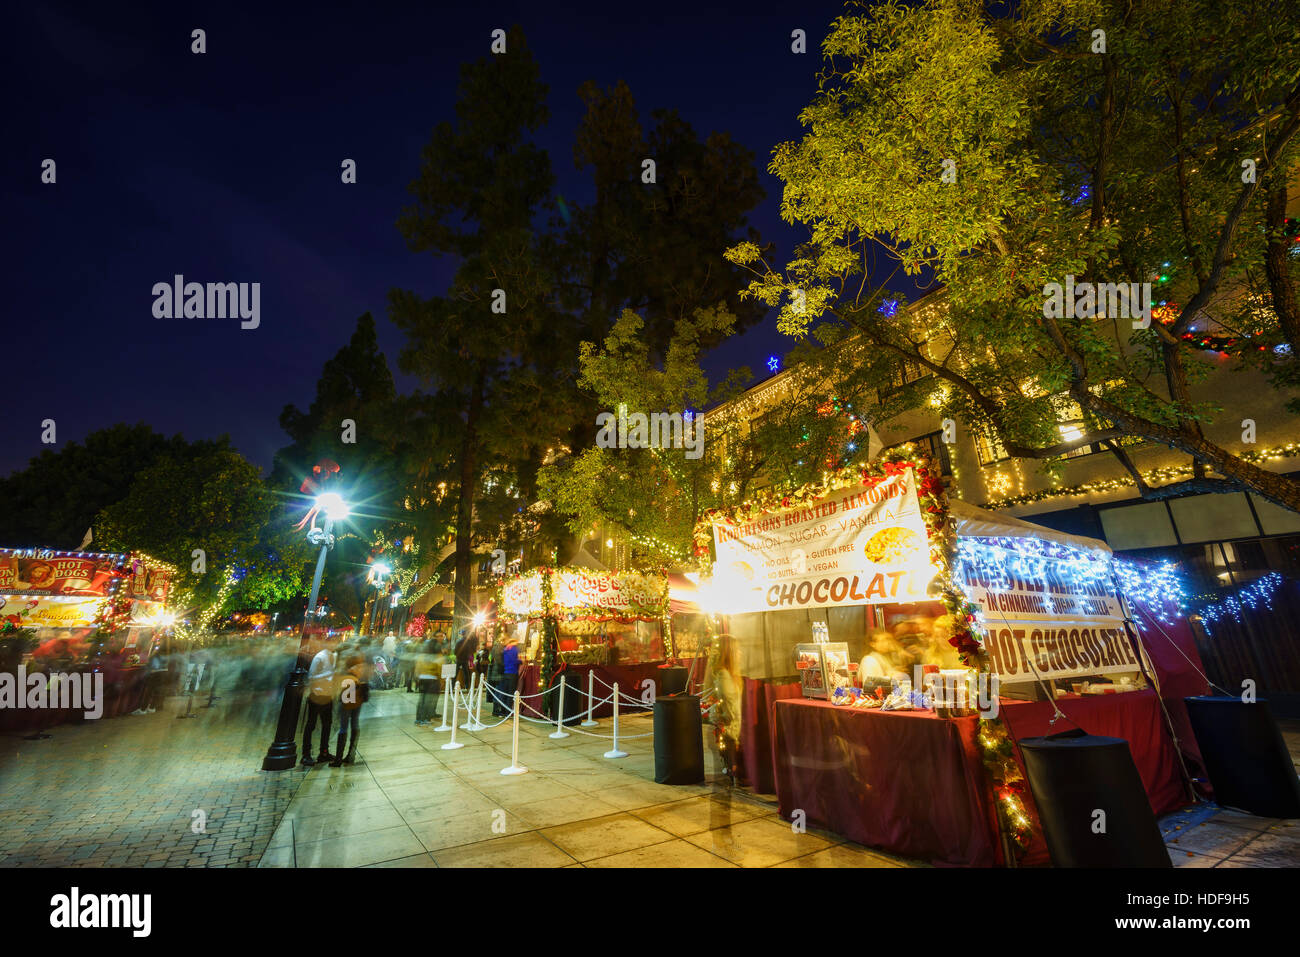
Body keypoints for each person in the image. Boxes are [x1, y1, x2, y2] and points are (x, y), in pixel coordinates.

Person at [302, 635, 339, 766]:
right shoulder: (319, 657)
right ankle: (305, 754)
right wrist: (328, 675)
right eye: (332, 643)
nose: (334, 646)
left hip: (328, 695)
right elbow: (311, 677)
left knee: (327, 724)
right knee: (311, 725)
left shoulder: (333, 657)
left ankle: (324, 752)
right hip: (317, 694)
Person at [331, 652, 370, 766]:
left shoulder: (349, 671)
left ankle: (338, 758)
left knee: (343, 726)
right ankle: (351, 755)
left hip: (349, 695)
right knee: (354, 723)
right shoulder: (361, 668)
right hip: (358, 697)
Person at [414, 639, 440, 725]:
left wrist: (417, 678)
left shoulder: (421, 656)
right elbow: (439, 670)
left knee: (422, 699)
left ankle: (418, 719)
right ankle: (426, 719)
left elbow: (417, 669)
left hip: (422, 679)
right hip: (432, 680)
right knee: (429, 700)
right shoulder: (436, 657)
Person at [497, 634, 520, 716]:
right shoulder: (514, 649)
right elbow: (515, 661)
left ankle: (502, 710)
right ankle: (508, 712)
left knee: (505, 692)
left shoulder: (505, 649)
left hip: (506, 672)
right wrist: (520, 661)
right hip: (513, 673)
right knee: (511, 693)